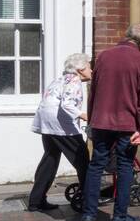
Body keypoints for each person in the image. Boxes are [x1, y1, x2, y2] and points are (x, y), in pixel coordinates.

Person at [79, 23, 140, 221]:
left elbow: (93, 91)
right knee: (125, 166)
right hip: (127, 124)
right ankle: (119, 217)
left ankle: (88, 216)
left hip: (101, 121)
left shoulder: (103, 56)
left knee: (96, 166)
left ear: (126, 35)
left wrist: (92, 119)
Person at [27, 54, 92, 212]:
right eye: (89, 66)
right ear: (81, 70)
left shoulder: (60, 79)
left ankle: (36, 201)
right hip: (61, 126)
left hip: (46, 123)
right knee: (83, 161)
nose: (92, 70)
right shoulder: (74, 81)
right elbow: (67, 105)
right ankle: (88, 200)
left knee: (50, 158)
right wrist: (85, 116)